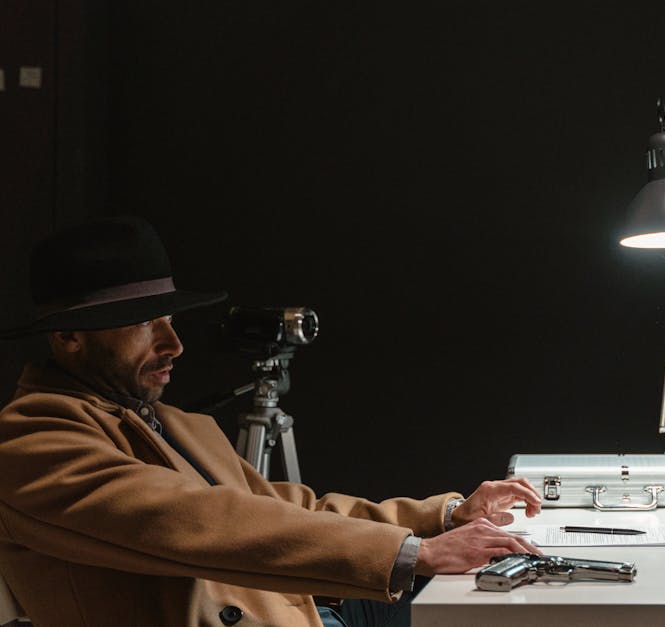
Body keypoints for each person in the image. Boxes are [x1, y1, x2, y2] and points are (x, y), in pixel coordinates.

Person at [0, 215, 543, 627]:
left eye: (169, 320)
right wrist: (415, 553)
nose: (175, 344)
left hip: (305, 610)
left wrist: (443, 516)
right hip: (287, 614)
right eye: (143, 325)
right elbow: (199, 522)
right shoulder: (31, 440)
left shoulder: (170, 422)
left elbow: (287, 509)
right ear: (69, 337)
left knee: (527, 602)